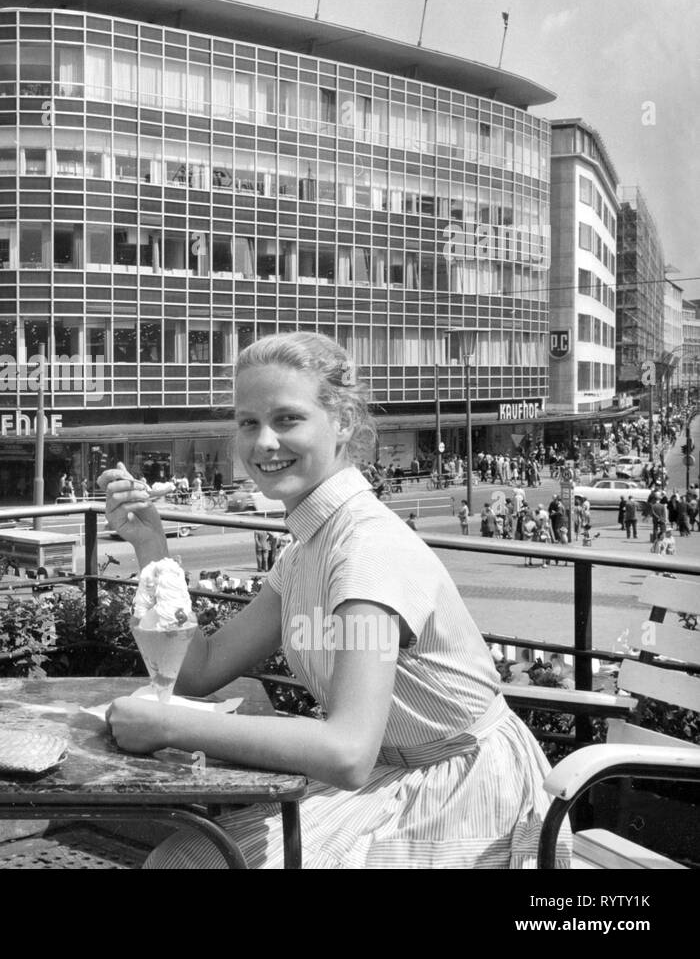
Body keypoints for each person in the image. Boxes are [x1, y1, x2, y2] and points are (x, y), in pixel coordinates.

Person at [99, 331, 564, 868]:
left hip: (461, 794)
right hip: (393, 777)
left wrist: (169, 726)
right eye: (248, 422)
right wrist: (152, 546)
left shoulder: (364, 549)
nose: (263, 442)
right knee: (185, 857)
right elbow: (197, 670)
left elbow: (345, 752)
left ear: (342, 422)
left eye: (287, 419)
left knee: (186, 863)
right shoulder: (306, 551)